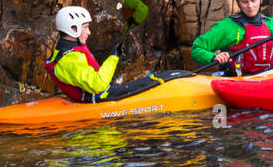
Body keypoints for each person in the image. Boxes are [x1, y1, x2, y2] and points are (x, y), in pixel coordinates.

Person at [45, 5, 191, 102]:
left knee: (156, 78)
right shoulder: (71, 60)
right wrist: (113, 58)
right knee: (156, 81)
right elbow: (99, 85)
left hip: (100, 95)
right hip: (102, 97)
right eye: (86, 27)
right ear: (73, 29)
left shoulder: (63, 52)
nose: (89, 32)